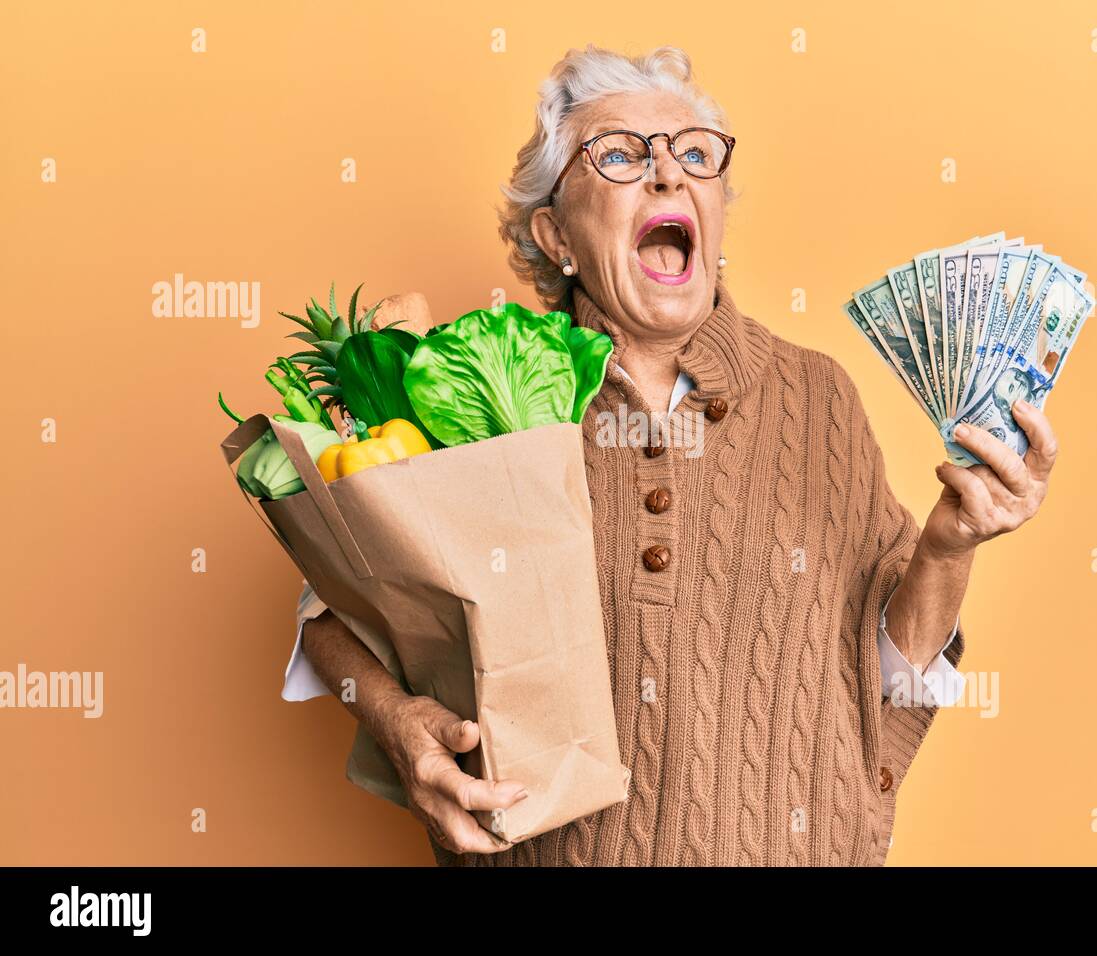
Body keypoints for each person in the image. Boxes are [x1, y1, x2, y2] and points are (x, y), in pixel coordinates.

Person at [290, 44, 1058, 866]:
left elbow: (889, 684)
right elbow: (335, 614)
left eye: (695, 153)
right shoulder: (486, 392)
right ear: (556, 235)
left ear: (717, 212)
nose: (668, 174)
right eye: (619, 155)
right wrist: (402, 730)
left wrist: (948, 549)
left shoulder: (817, 396)